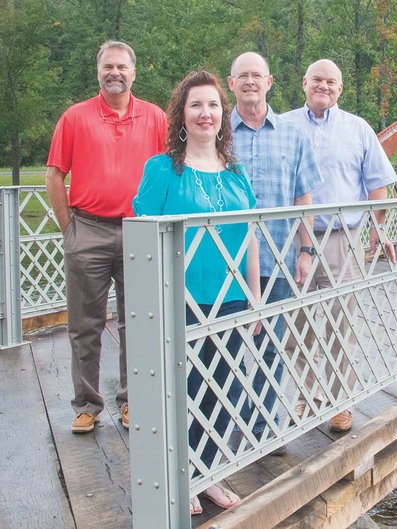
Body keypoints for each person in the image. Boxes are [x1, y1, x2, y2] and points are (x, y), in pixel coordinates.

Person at [133, 70, 258, 516]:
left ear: (222, 116)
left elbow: (252, 238)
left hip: (232, 297)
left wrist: (255, 296)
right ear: (182, 116)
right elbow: (143, 239)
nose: (206, 113)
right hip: (179, 300)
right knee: (180, 390)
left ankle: (211, 474)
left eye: (212, 105)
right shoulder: (162, 169)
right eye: (196, 105)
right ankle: (179, 476)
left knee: (222, 388)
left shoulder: (237, 172)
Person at [46, 40, 167, 435]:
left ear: (134, 72)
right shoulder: (75, 117)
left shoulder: (154, 117)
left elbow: (171, 169)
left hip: (140, 230)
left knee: (140, 321)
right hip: (89, 228)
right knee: (85, 323)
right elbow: (54, 174)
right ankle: (86, 404)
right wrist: (69, 228)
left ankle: (135, 400)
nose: (115, 73)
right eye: (107, 67)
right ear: (98, 72)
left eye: (122, 66)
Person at [282, 59, 397, 433]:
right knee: (297, 325)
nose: (324, 86)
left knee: (340, 323)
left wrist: (379, 229)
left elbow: (377, 184)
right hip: (292, 239)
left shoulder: (358, 129)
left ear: (340, 89)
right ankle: (305, 395)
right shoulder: (283, 125)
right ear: (304, 83)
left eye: (331, 82)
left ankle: (340, 401)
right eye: (317, 79)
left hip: (341, 239)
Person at [228, 52, 323, 440]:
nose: (250, 82)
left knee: (271, 348)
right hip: (226, 263)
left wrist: (306, 251)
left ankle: (264, 425)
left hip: (278, 258)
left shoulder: (292, 134)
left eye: (257, 76)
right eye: (242, 76)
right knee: (227, 350)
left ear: (269, 82)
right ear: (230, 83)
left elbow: (304, 199)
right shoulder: (215, 132)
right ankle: (229, 424)